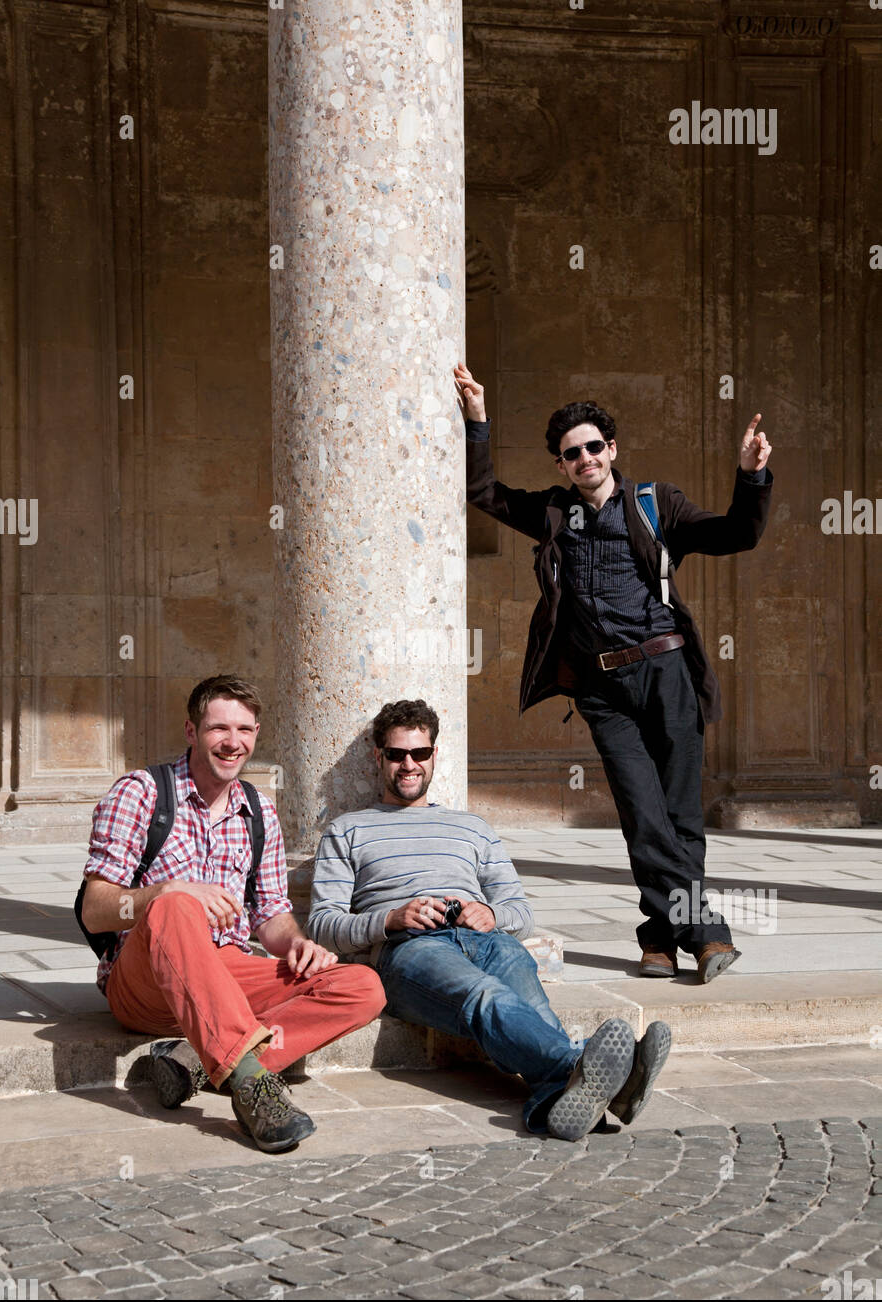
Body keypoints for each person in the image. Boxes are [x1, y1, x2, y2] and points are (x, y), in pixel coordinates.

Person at [454, 361, 774, 984]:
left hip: (667, 673)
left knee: (680, 817)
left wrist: (753, 477)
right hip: (602, 689)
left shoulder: (658, 505)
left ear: (612, 449)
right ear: (561, 466)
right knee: (642, 813)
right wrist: (478, 423)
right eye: (572, 454)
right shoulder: (551, 513)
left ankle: (659, 938)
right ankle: (705, 933)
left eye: (594, 447)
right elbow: (483, 492)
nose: (585, 460)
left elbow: (738, 534)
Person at [306, 699, 671, 1141]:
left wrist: (491, 913)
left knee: (531, 1007)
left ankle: (561, 1097)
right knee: (486, 996)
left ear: (434, 756)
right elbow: (323, 924)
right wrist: (391, 918)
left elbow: (521, 913)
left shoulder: (472, 827)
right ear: (378, 757)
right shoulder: (348, 830)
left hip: (489, 941)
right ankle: (597, 1075)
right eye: (397, 754)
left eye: (419, 754)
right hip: (411, 949)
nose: (408, 765)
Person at [80, 674, 385, 1153]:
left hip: (226, 971)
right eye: (219, 729)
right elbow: (96, 911)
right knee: (175, 907)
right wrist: (170, 889)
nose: (232, 742)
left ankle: (193, 1061)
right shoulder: (140, 793)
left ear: (256, 735)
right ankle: (252, 1087)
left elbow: (271, 916)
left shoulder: (259, 810)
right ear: (191, 732)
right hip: (146, 983)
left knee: (362, 987)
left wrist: (298, 944)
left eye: (244, 730)